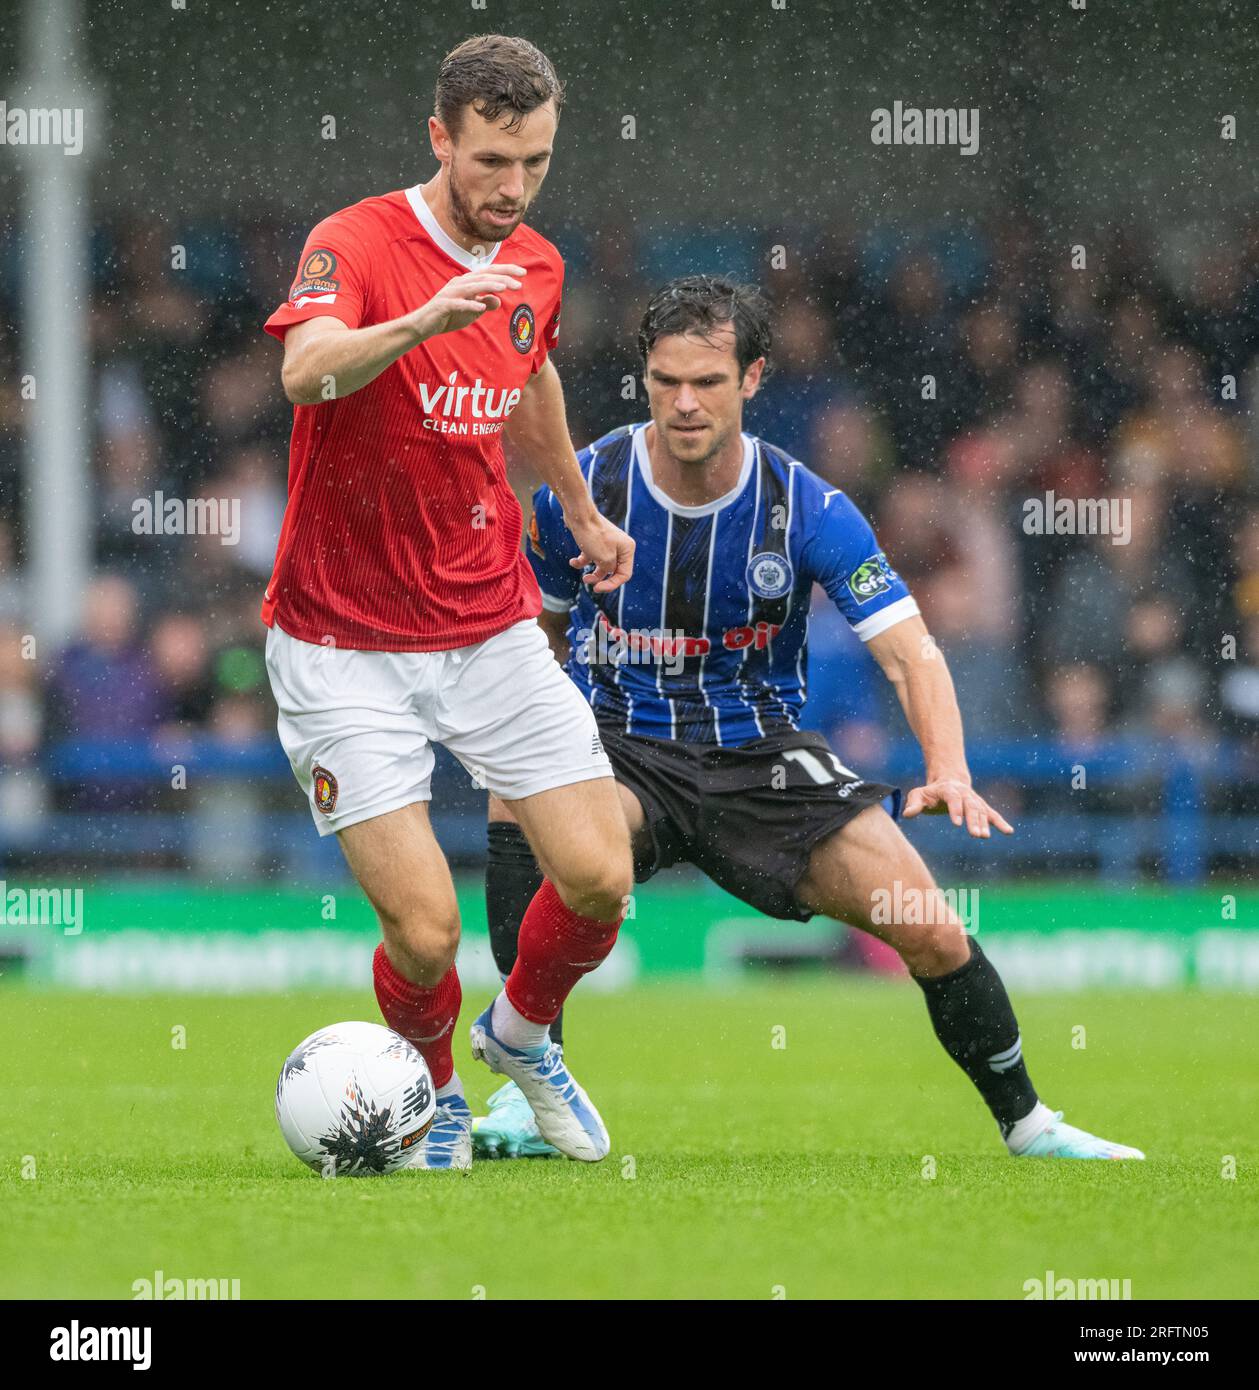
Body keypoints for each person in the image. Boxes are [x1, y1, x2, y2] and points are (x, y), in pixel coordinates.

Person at [476, 274, 1143, 1163]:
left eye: (707, 383)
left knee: (930, 924)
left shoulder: (808, 507)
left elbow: (909, 650)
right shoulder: (582, 486)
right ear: (644, 377)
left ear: (752, 379)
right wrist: (518, 733)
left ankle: (1029, 1125)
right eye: (665, 380)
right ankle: (531, 1084)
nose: (683, 403)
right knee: (513, 794)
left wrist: (946, 766)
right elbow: (537, 631)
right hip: (620, 749)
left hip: (761, 762)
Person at [261, 35, 636, 1171]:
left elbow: (527, 373)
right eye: (488, 160)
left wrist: (573, 502)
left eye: (532, 162)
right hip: (340, 640)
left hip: (487, 623)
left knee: (599, 874)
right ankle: (433, 1092)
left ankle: (519, 1039)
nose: (509, 187)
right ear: (439, 138)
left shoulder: (536, 264)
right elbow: (305, 371)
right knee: (424, 933)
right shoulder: (356, 240)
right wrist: (423, 318)